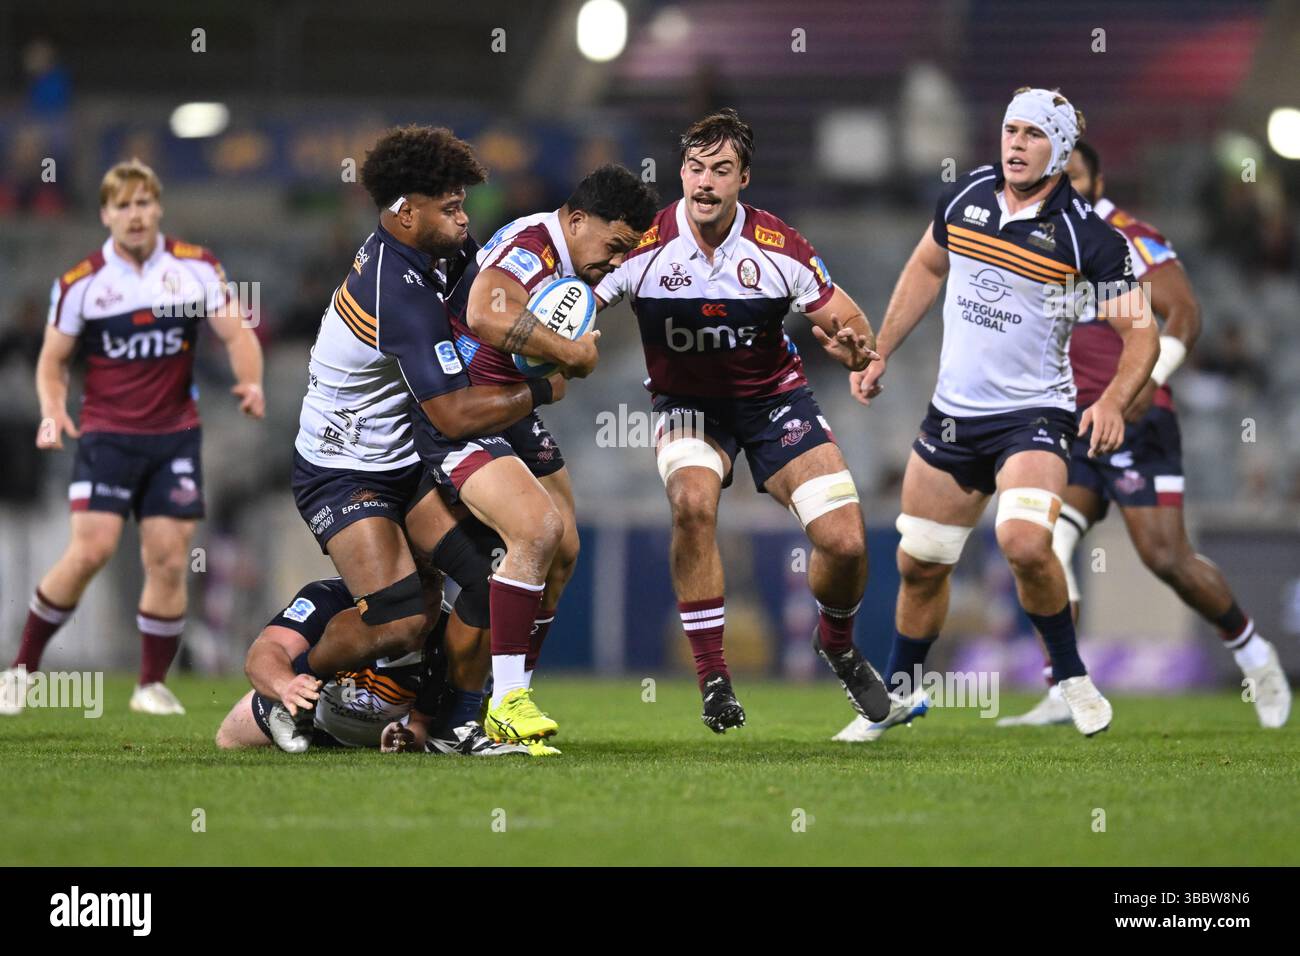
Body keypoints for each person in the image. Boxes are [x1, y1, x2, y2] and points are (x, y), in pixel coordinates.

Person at [835, 88, 1157, 742]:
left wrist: (1114, 400)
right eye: (1010, 129)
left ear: (1061, 150)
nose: (1015, 143)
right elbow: (928, 263)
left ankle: (1068, 676)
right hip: (953, 417)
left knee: (1024, 542)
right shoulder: (967, 195)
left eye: (1033, 134)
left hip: (1034, 416)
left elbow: (1143, 332)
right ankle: (897, 698)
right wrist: (880, 351)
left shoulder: (1087, 237)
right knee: (921, 562)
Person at [594, 109, 891, 733]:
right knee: (693, 503)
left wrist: (858, 351)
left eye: (720, 170)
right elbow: (573, 305)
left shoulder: (780, 247)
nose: (704, 183)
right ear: (681, 172)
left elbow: (848, 317)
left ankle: (835, 643)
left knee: (845, 541)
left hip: (773, 401)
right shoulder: (641, 244)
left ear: (744, 178)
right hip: (687, 407)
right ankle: (714, 680)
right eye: (695, 168)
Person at [285, 125, 568, 753]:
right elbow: (452, 416)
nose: (465, 218)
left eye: (463, 203)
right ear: (405, 213)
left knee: (491, 571)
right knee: (403, 622)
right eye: (451, 207)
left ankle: (453, 724)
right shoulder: (397, 289)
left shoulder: (435, 252)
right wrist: (545, 386)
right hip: (342, 469)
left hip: (401, 458)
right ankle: (292, 684)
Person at [997, 140, 1291, 729]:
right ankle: (1065, 686)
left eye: (1075, 178)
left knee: (1166, 557)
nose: (1065, 189)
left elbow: (1185, 313)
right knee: (1044, 546)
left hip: (1136, 416)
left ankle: (1256, 655)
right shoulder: (1034, 239)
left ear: (1098, 183)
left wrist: (1142, 386)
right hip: (1066, 421)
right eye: (1057, 178)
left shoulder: (1128, 236)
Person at [1, 159, 264, 717]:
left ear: (158, 207)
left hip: (174, 440)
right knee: (90, 550)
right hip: (107, 438)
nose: (135, 214)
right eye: (123, 206)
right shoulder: (81, 285)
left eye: (144, 202)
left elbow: (236, 332)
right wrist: (51, 410)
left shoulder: (195, 268)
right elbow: (52, 361)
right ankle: (22, 670)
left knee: (169, 559)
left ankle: (150, 683)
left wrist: (252, 382)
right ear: (105, 215)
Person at [434, 163, 658, 743]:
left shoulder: (570, 256)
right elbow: (485, 312)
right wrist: (570, 353)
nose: (614, 262)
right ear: (577, 219)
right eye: (613, 247)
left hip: (511, 410)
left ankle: (512, 701)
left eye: (624, 253)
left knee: (565, 550)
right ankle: (495, 701)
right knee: (536, 531)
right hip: (465, 410)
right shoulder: (532, 246)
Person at [214, 576, 528, 755]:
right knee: (227, 739)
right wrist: (287, 686)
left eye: (430, 599)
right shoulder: (327, 598)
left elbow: (420, 726)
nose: (421, 615)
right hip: (311, 716)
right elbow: (265, 652)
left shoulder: (448, 635)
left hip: (379, 730)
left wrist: (406, 738)